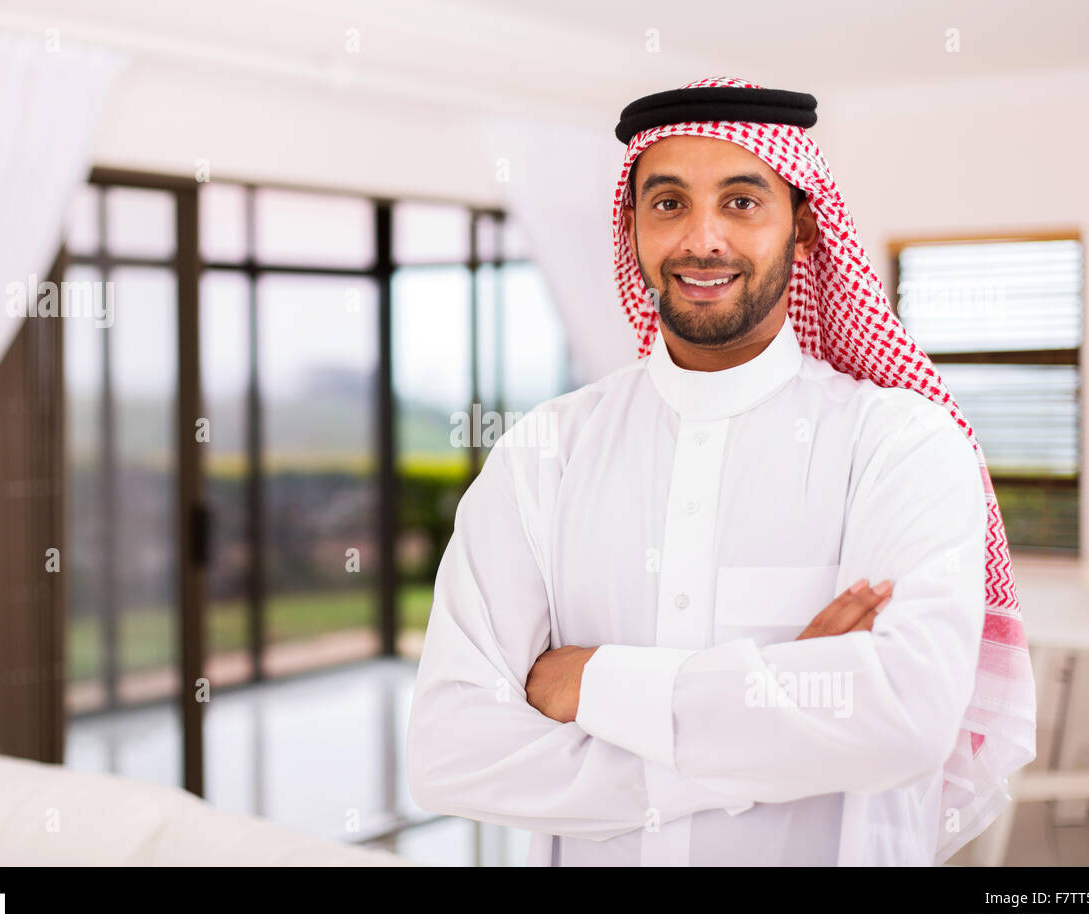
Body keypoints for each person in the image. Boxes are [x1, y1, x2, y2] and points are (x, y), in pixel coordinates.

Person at [406, 75, 1037, 866]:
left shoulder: (901, 443)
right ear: (631, 224)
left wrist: (595, 683)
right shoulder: (545, 453)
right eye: (668, 203)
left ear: (803, 225)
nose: (703, 239)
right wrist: (780, 715)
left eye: (742, 201)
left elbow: (905, 719)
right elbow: (450, 751)